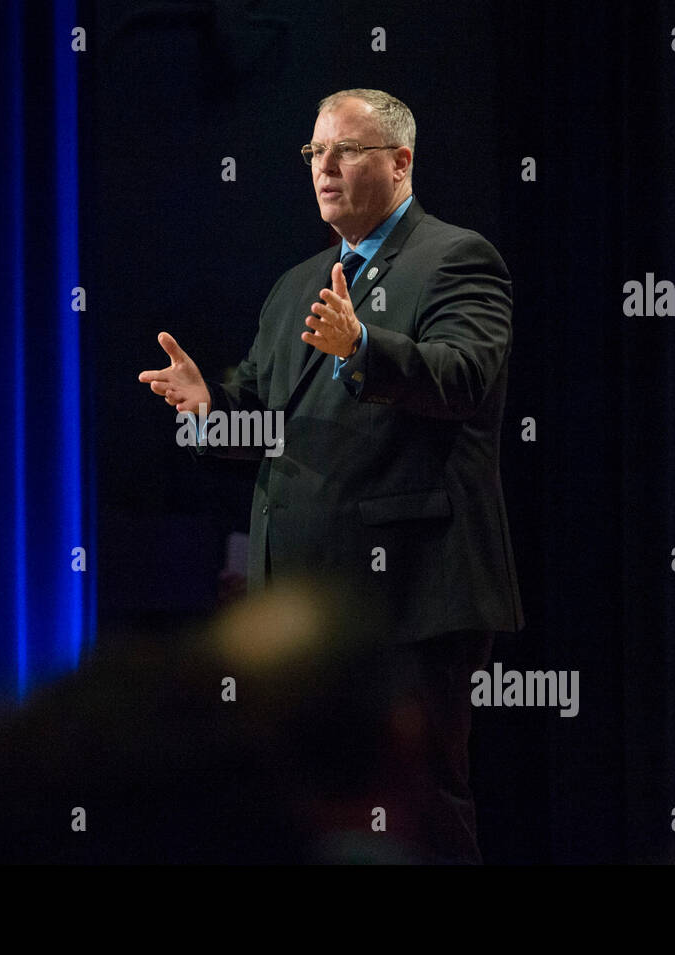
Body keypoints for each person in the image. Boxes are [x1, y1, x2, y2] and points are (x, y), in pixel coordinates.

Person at [138, 89, 524, 862]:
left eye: (345, 150)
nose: (325, 167)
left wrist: (363, 347)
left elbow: (464, 378)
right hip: (298, 603)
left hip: (410, 596)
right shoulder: (297, 283)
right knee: (304, 803)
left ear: (400, 160)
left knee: (421, 799)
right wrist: (210, 407)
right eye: (315, 152)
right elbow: (266, 416)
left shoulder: (456, 257)